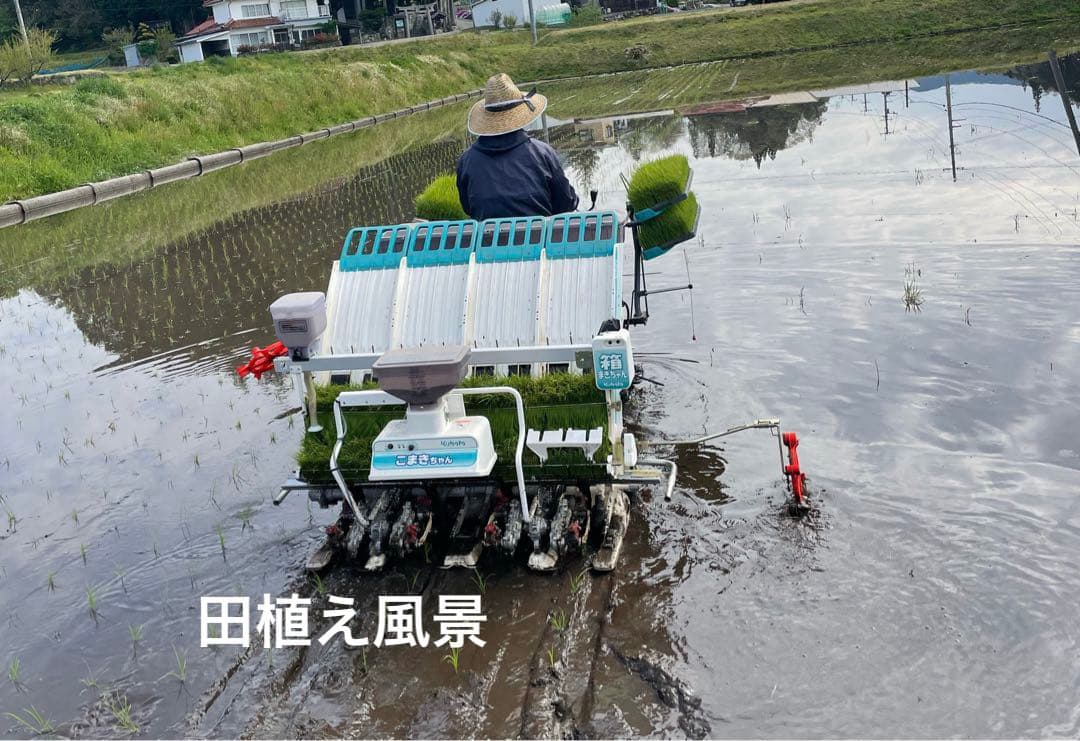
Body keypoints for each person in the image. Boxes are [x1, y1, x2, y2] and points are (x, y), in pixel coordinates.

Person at [456, 74, 579, 221]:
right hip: (539, 240)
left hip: (489, 241)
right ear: (519, 113)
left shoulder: (467, 160)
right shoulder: (541, 153)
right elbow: (566, 203)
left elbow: (468, 207)